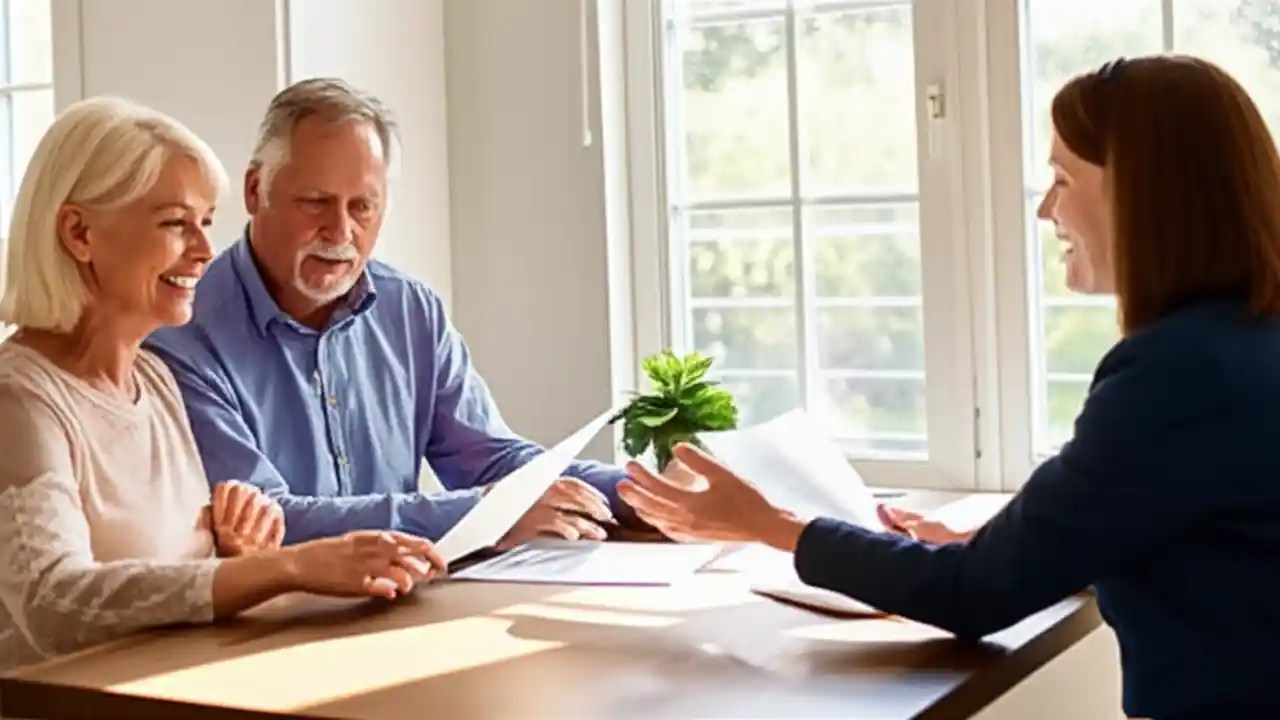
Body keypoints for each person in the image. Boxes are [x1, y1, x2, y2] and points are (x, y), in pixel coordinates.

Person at [618, 55, 1280, 719]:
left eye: (1061, 179)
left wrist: (770, 524)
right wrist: (1004, 542)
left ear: (1142, 194)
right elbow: (1167, 520)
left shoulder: (1177, 373)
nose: (1047, 209)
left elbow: (972, 596)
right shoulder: (1244, 343)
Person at [0, 97, 446, 672]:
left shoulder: (154, 380)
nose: (206, 251)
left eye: (206, 223)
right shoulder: (20, 399)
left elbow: (176, 577)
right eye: (175, 223)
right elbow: (52, 602)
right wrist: (281, 566)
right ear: (80, 233)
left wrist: (236, 546)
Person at [145, 78, 628, 547]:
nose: (340, 231)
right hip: (279, 618)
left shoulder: (411, 309)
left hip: (412, 597)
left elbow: (492, 459)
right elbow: (269, 518)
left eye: (362, 207)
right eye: (316, 203)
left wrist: (641, 494)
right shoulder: (180, 329)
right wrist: (484, 513)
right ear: (255, 191)